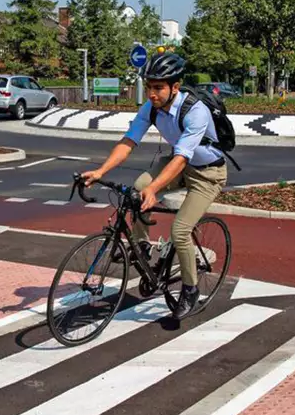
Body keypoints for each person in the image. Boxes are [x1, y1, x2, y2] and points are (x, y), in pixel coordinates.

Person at [80, 52, 228, 320]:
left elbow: (183, 157)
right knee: (138, 189)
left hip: (207, 174)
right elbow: (128, 142)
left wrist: (155, 188)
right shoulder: (151, 107)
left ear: (175, 87)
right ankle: (142, 244)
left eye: (158, 87)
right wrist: (100, 170)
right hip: (178, 164)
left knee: (180, 231)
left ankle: (190, 288)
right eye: (149, 86)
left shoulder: (196, 111)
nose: (151, 93)